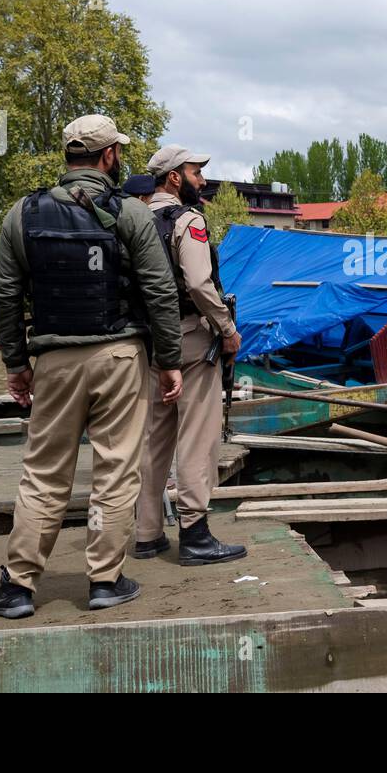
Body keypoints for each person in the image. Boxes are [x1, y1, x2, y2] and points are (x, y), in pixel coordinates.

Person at [0, 114, 185, 619]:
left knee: (43, 474)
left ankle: (18, 587)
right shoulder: (131, 214)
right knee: (115, 472)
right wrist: (169, 361)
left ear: (68, 157)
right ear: (109, 156)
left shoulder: (22, 214)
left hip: (52, 359)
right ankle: (104, 581)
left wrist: (15, 361)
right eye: (119, 150)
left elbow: (4, 293)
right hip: (119, 355)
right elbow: (160, 292)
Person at [134, 144, 246, 565]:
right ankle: (195, 533)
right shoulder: (187, 220)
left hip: (147, 344)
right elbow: (200, 284)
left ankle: (147, 533)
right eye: (196, 172)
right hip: (189, 341)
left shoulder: (134, 218)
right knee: (198, 436)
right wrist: (228, 329)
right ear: (175, 177)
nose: (202, 180)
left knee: (153, 439)